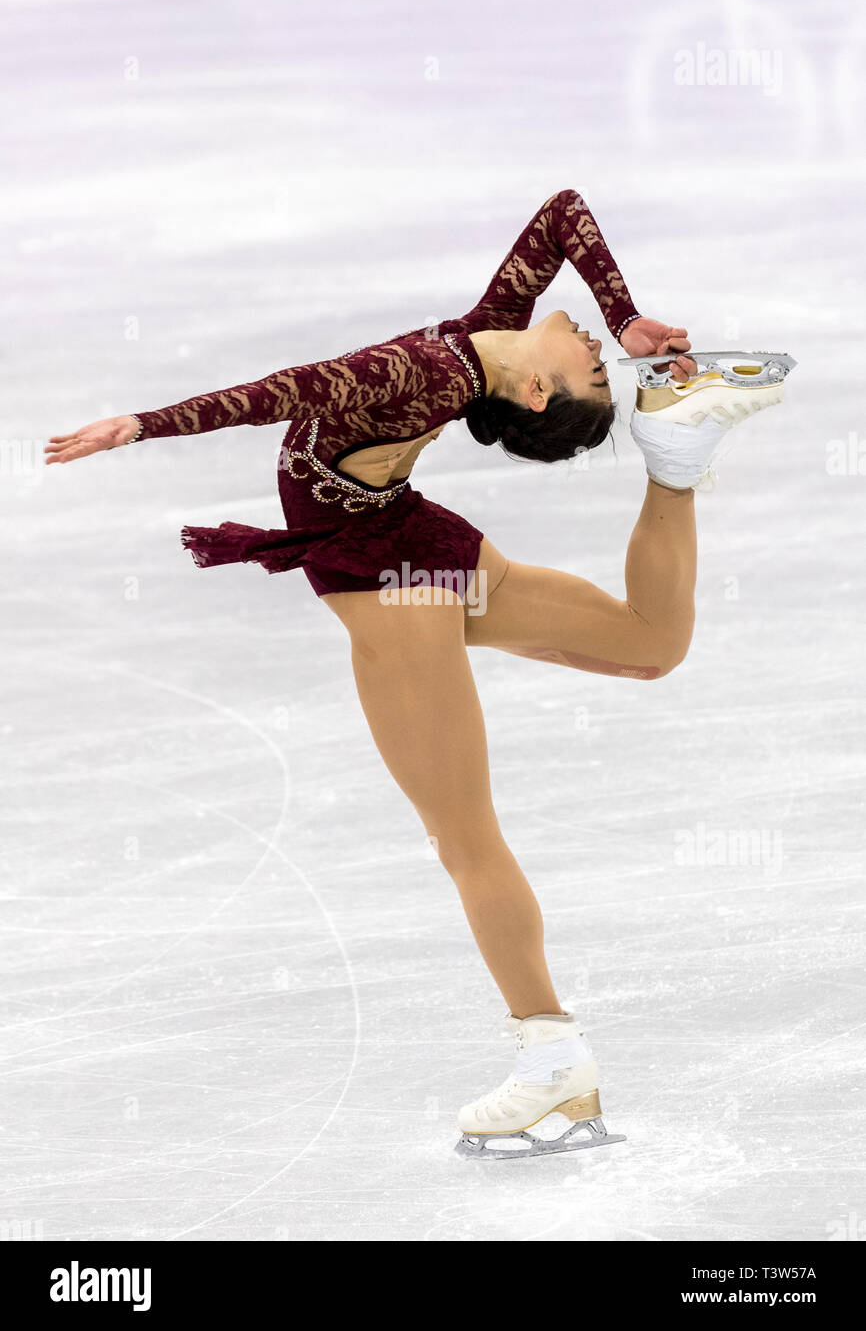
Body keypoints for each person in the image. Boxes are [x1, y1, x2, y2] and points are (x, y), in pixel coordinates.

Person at [45, 190, 793, 1160]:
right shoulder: (489, 339)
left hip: (385, 573)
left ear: (533, 393)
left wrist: (142, 425)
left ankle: (552, 1066)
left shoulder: (417, 376)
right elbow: (561, 215)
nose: (587, 343)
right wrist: (622, 311)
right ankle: (674, 455)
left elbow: (285, 389)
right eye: (602, 356)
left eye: (594, 369)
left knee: (461, 835)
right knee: (649, 641)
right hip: (406, 532)